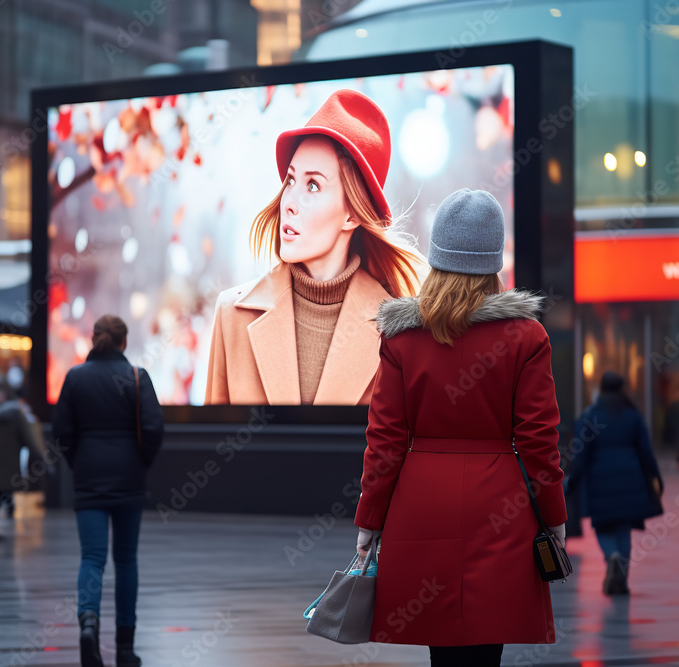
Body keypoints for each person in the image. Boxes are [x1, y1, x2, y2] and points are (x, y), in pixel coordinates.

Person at [352, 189, 566, 667]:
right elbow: (539, 440)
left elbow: (384, 441)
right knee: (486, 646)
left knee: (440, 650)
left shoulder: (403, 336)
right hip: (501, 506)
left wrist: (369, 521)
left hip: (420, 505)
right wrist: (553, 514)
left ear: (437, 256)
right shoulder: (526, 337)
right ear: (494, 261)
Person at [205, 89, 426, 406]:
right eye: (291, 180)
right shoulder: (232, 315)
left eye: (313, 185)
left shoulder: (399, 334)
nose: (289, 202)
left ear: (351, 214)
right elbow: (209, 446)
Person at [53, 314, 164, 667]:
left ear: (93, 339)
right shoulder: (136, 377)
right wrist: (140, 462)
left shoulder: (75, 378)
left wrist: (78, 463)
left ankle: (88, 624)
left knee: (92, 558)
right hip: (129, 479)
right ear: (124, 342)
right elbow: (154, 428)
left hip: (88, 478)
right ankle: (126, 649)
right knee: (126, 560)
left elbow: (61, 432)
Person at [565, 371, 663, 595]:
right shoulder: (633, 416)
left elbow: (580, 454)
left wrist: (574, 479)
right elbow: (646, 451)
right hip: (631, 477)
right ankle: (622, 580)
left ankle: (612, 556)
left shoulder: (589, 416)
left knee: (603, 526)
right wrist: (656, 476)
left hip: (600, 480)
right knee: (623, 529)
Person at [0, 383, 43, 540]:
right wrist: (40, 456)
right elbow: (28, 438)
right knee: (1, 494)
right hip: (10, 462)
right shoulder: (17, 413)